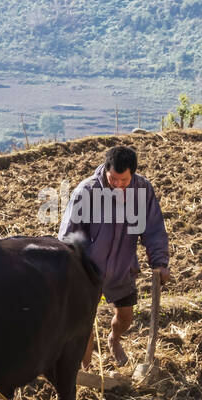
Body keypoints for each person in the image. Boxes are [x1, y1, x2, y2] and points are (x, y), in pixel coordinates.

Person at [59, 145, 170, 368]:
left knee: (126, 316)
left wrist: (159, 263)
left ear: (133, 174)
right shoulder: (87, 191)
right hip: (88, 271)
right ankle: (85, 370)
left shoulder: (142, 190)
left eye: (124, 180)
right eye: (113, 179)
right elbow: (69, 236)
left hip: (122, 268)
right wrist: (70, 270)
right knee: (84, 328)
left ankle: (114, 339)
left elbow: (154, 229)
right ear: (106, 170)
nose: (118, 184)